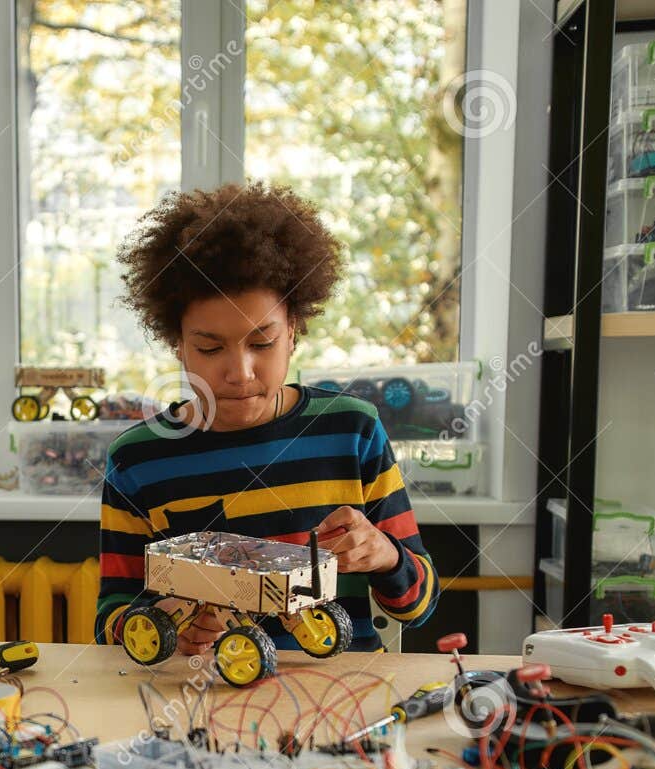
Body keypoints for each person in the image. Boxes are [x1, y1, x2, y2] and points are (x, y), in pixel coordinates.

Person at [95, 181, 439, 656]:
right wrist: (164, 629)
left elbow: (420, 604)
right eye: (209, 348)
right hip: (206, 692)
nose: (240, 372)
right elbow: (111, 617)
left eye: (262, 343)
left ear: (293, 331)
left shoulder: (352, 432)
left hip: (343, 688)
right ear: (177, 342)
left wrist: (386, 557)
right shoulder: (137, 460)